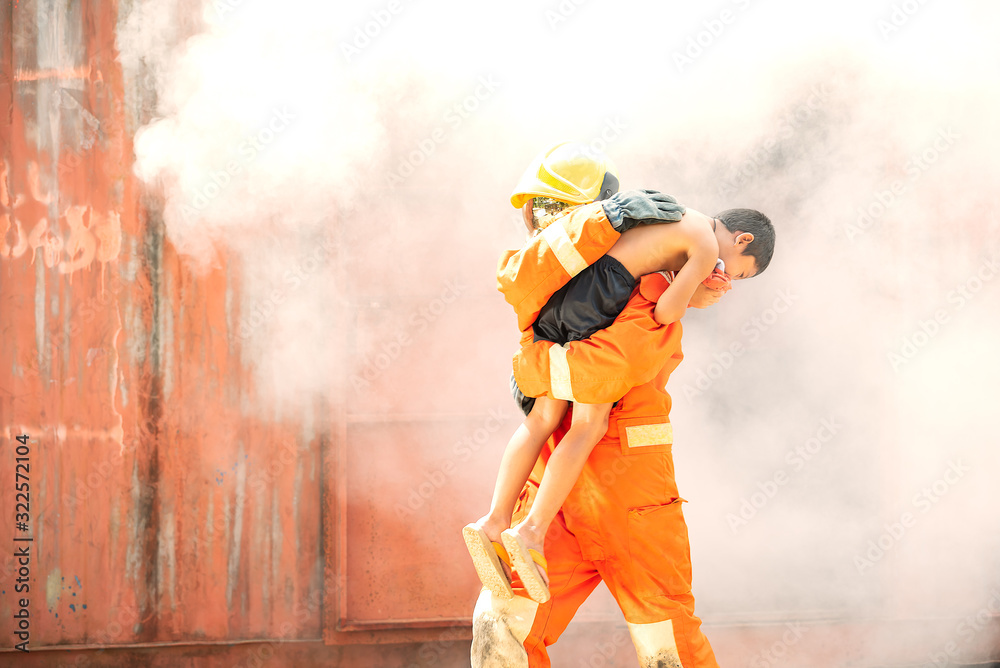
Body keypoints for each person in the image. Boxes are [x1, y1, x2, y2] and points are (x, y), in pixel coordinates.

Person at [465, 142, 775, 605]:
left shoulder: (676, 212)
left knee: (541, 420)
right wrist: (700, 290)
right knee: (590, 424)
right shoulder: (707, 244)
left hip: (562, 301)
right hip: (592, 306)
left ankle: (492, 520)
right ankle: (530, 530)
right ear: (742, 240)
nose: (728, 276)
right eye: (739, 274)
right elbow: (667, 311)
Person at [471, 259, 730, 668]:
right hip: (617, 500)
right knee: (506, 622)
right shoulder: (650, 307)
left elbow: (538, 377)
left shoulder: (559, 302)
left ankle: (498, 519)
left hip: (564, 491)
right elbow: (609, 367)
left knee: (507, 622)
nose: (725, 285)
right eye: (721, 271)